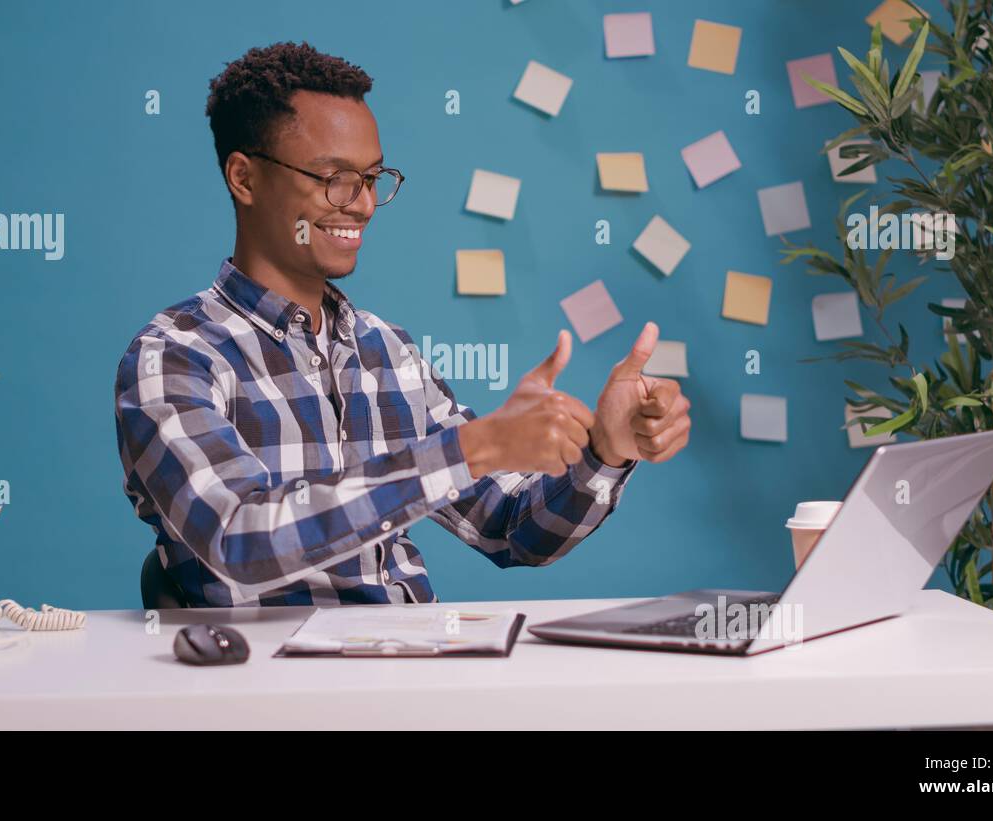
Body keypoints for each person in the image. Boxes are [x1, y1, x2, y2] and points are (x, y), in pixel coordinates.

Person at [114, 42, 691, 607]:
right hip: (268, 688)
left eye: (371, 179)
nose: (362, 204)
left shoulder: (385, 351)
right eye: (333, 178)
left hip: (406, 670)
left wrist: (608, 452)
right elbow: (238, 539)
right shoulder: (177, 357)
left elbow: (513, 530)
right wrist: (473, 447)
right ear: (244, 178)